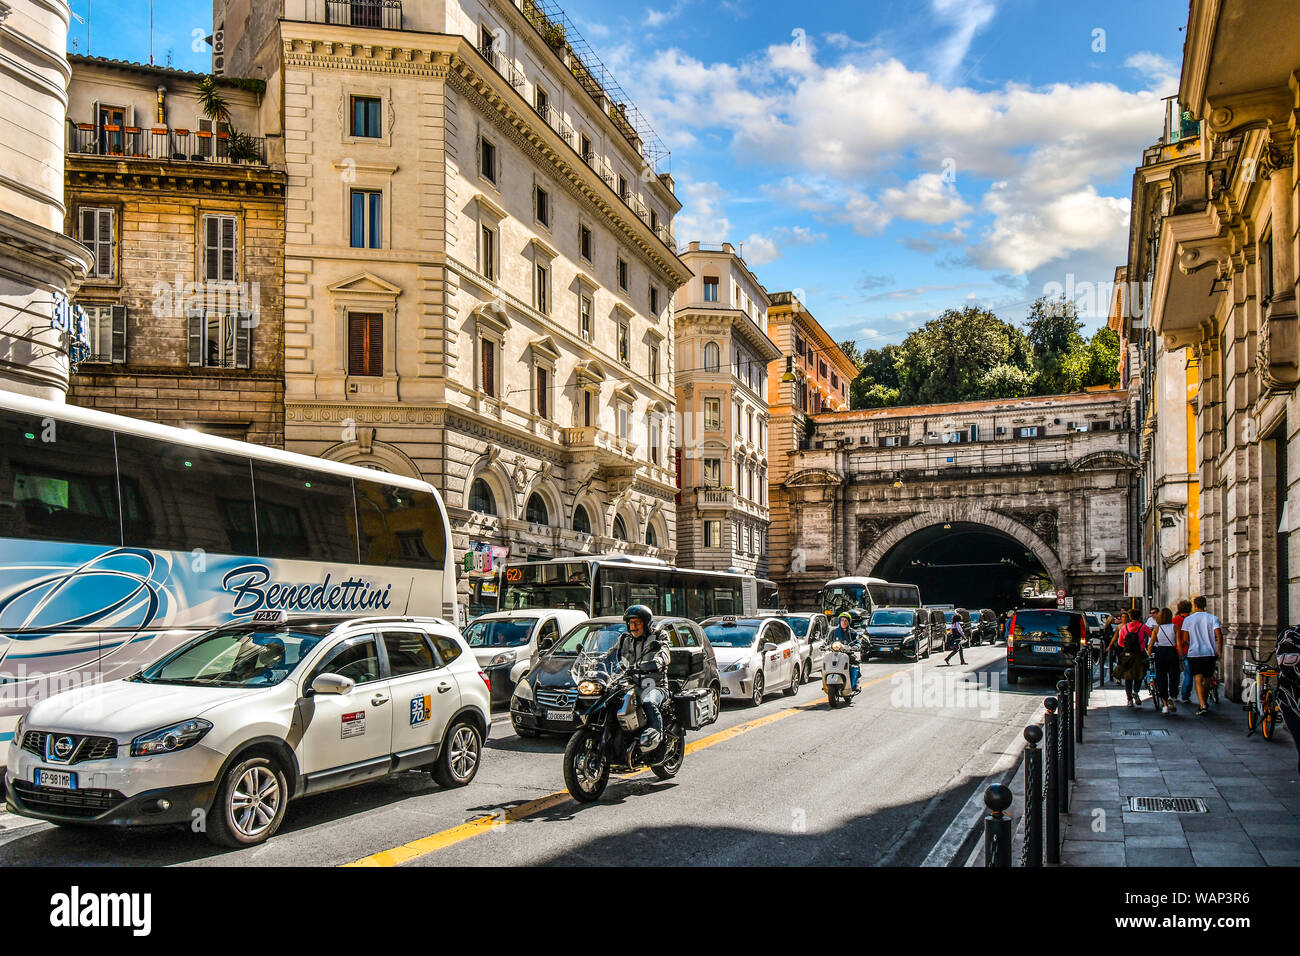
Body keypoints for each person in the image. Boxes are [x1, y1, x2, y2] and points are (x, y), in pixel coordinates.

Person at [617, 605, 671, 750]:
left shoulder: (660, 635)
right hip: (631, 684)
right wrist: (595, 662)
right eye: (630, 623)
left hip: (655, 685)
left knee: (648, 702)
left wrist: (657, 662)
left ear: (646, 623)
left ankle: (657, 739)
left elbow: (664, 652)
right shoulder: (624, 639)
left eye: (637, 623)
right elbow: (609, 655)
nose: (633, 627)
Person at [1179, 596, 1222, 716]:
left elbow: (1185, 639)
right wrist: (1219, 650)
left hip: (1194, 653)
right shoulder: (1213, 618)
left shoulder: (1188, 620)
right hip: (1209, 652)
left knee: (1197, 679)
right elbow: (1219, 635)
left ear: (1195, 605)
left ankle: (1202, 704)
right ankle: (1204, 701)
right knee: (1207, 679)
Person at [1109, 611, 1150, 706]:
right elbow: (1151, 635)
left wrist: (1127, 647)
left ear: (1130, 617)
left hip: (1127, 654)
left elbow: (1120, 642)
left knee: (1128, 677)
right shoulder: (1143, 627)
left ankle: (1129, 700)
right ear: (1139, 617)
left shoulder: (1125, 627)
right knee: (1139, 674)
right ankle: (1136, 691)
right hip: (1139, 654)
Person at [1149, 607, 1181, 714]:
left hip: (1160, 652)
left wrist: (1149, 654)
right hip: (1172, 652)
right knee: (1174, 676)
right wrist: (1181, 655)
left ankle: (1165, 705)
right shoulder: (1175, 627)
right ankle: (1172, 696)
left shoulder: (1157, 628)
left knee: (1161, 677)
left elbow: (1151, 644)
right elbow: (1178, 643)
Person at [1173, 598, 1194, 703]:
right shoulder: (1191, 619)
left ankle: (1174, 693)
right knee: (1188, 674)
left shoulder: (1175, 620)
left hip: (1176, 649)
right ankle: (1185, 695)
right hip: (1189, 649)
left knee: (1175, 673)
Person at [834, 612, 861, 690]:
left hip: (848, 654)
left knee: (855, 662)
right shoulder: (834, 631)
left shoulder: (853, 632)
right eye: (842, 620)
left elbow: (857, 642)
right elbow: (827, 641)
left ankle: (856, 683)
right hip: (836, 654)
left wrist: (856, 646)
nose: (844, 622)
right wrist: (824, 645)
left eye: (846, 620)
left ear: (849, 622)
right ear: (839, 621)